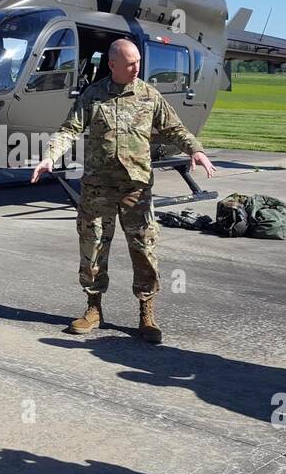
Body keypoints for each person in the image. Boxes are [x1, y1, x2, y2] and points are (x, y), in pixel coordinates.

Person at [31, 38, 216, 343]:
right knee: (92, 248)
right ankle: (93, 309)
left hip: (136, 188)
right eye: (130, 63)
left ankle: (147, 312)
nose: (136, 68)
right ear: (112, 64)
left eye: (138, 62)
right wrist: (50, 156)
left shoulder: (149, 95)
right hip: (97, 189)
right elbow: (70, 129)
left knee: (144, 250)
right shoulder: (93, 95)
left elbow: (174, 128)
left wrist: (195, 149)